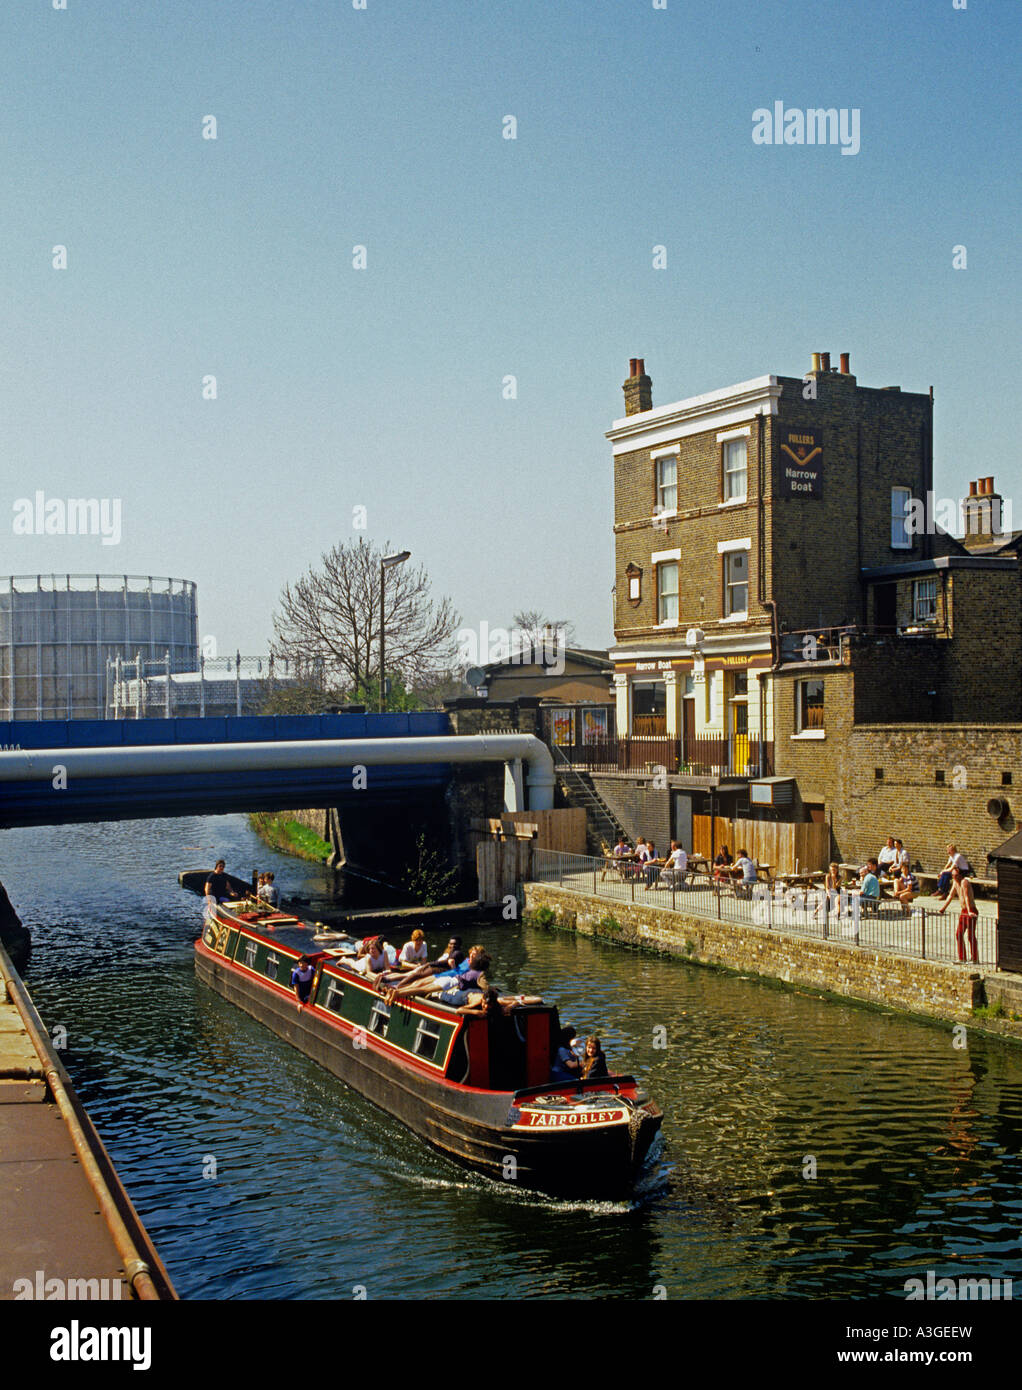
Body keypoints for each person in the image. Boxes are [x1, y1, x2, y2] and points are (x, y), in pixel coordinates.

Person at [938, 867, 979, 964]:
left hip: (971, 910)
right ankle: (962, 957)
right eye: (953, 875)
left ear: (960, 875)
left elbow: (966, 897)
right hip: (963, 911)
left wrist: (969, 911)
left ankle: (975, 958)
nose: (954, 877)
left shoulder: (965, 882)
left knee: (970, 935)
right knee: (959, 934)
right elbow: (950, 895)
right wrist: (943, 908)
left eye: (956, 875)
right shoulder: (955, 883)